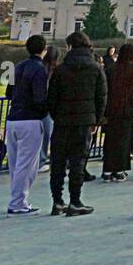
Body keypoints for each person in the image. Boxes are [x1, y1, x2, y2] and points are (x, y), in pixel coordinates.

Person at [45, 32, 105, 216]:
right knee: (78, 161)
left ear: (70, 46)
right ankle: (75, 200)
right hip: (85, 121)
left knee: (58, 161)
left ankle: (57, 200)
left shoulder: (61, 70)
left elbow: (52, 98)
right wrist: (96, 119)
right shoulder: (96, 69)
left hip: (63, 120)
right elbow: (101, 97)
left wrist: (56, 115)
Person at [5, 35, 50, 212]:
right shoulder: (39, 70)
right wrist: (45, 110)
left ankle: (17, 199)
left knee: (15, 163)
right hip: (30, 119)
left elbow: (8, 92)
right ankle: (18, 202)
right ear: (44, 49)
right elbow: (40, 98)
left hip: (13, 118)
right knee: (27, 164)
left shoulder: (18, 67)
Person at [102, 44, 133, 182]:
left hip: (111, 109)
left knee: (110, 140)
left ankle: (107, 170)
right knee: (123, 140)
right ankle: (119, 170)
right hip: (126, 109)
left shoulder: (111, 69)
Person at [38, 46, 60, 172]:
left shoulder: (41, 68)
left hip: (39, 106)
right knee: (47, 134)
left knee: (42, 134)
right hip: (49, 107)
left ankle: (41, 159)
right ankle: (42, 159)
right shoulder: (55, 71)